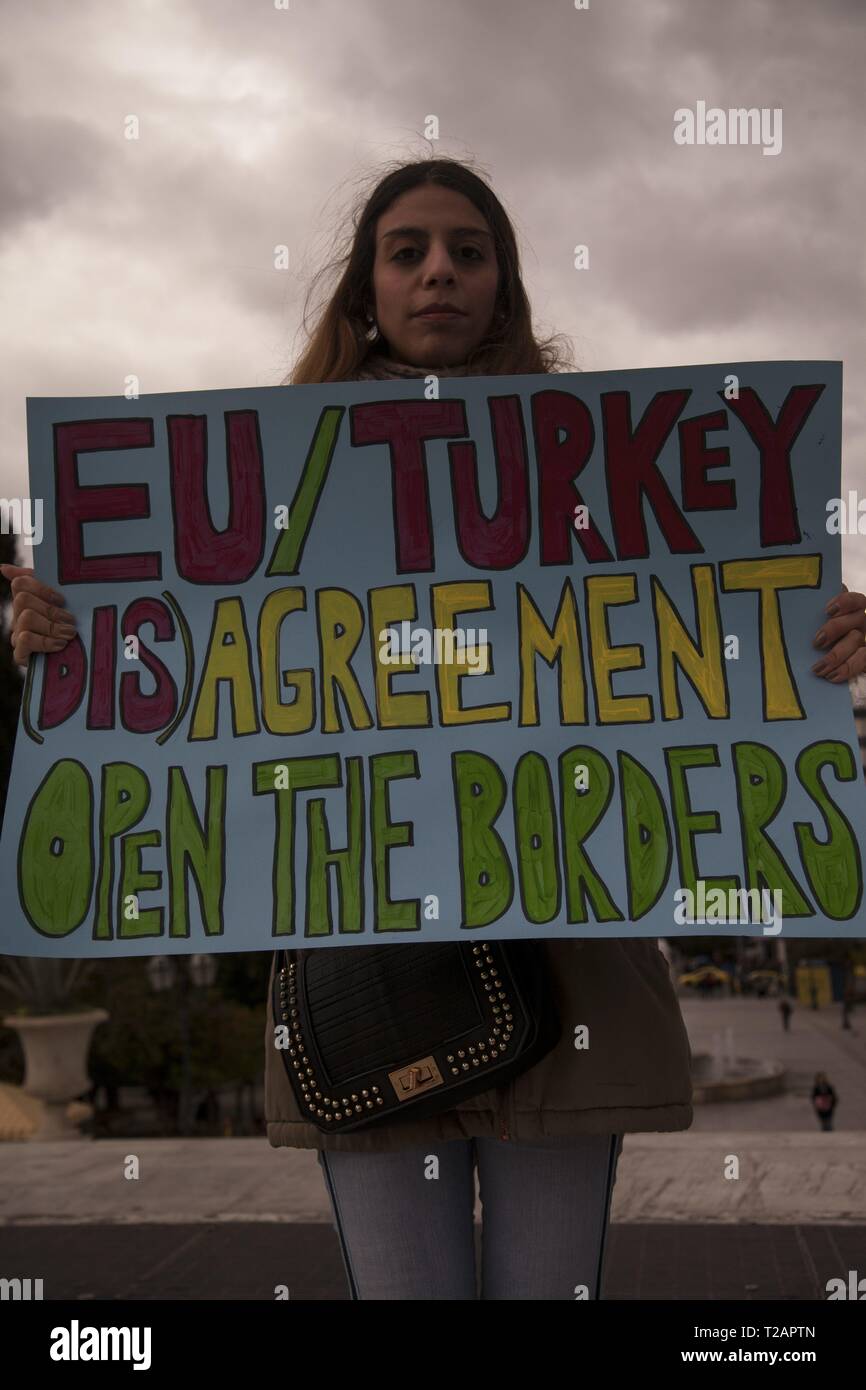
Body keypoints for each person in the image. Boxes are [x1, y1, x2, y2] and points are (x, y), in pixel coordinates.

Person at [4, 157, 866, 1301]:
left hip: (572, 985)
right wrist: (64, 638)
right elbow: (183, 679)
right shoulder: (275, 485)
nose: (438, 273)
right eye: (405, 251)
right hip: (365, 983)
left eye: (468, 250)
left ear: (502, 285)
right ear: (365, 287)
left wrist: (821, 639)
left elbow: (712, 635)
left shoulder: (607, 473)